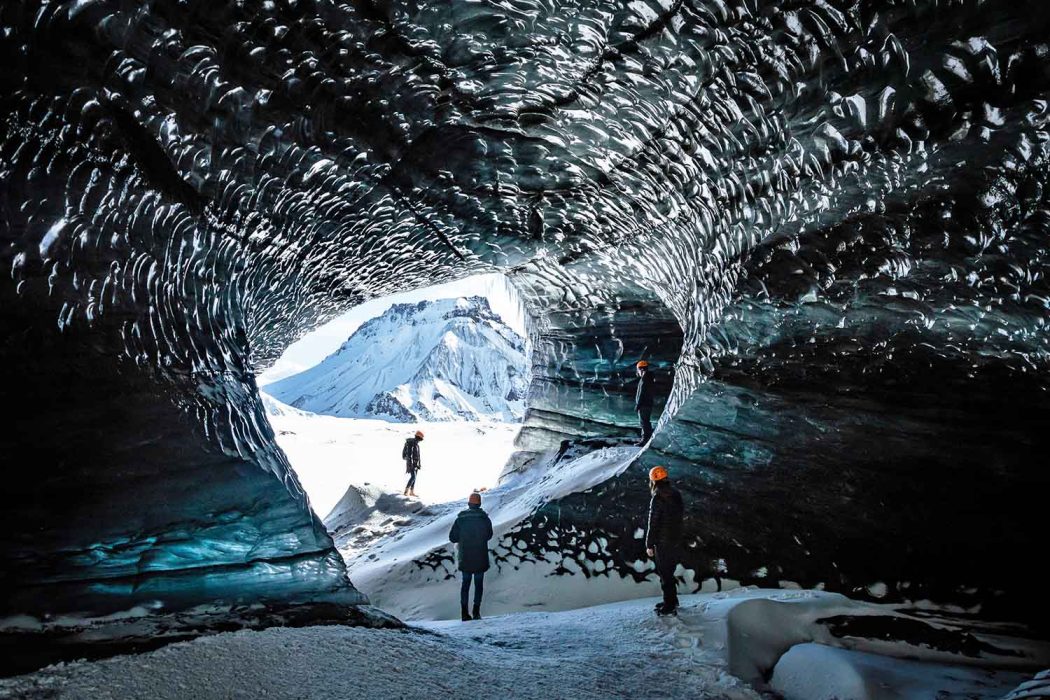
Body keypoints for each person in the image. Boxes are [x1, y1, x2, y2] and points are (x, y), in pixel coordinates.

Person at [645, 465, 684, 616]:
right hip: (675, 539)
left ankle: (669, 605)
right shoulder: (676, 494)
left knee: (664, 574)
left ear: (653, 481)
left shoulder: (658, 497)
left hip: (662, 542)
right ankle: (672, 600)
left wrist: (649, 544)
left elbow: (653, 523)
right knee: (669, 572)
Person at [449, 491, 493, 621]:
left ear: (469, 503)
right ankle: (476, 612)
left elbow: (452, 538)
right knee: (478, 584)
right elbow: (489, 535)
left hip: (465, 557)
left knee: (465, 585)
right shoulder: (485, 519)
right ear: (479, 504)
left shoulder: (460, 519)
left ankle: (464, 613)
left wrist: (463, 538)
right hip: (480, 557)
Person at [635, 360, 656, 445]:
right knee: (646, 421)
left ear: (641, 369)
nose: (638, 372)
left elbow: (642, 393)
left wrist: (638, 405)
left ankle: (645, 440)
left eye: (638, 370)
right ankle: (648, 438)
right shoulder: (649, 378)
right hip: (648, 404)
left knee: (643, 422)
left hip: (644, 405)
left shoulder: (645, 379)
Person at [402, 430, 423, 497]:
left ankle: (411, 492)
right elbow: (409, 454)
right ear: (418, 437)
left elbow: (417, 455)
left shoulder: (416, 444)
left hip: (415, 463)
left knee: (415, 477)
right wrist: (411, 464)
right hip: (412, 463)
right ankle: (406, 491)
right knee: (413, 477)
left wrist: (418, 464)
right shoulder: (411, 443)